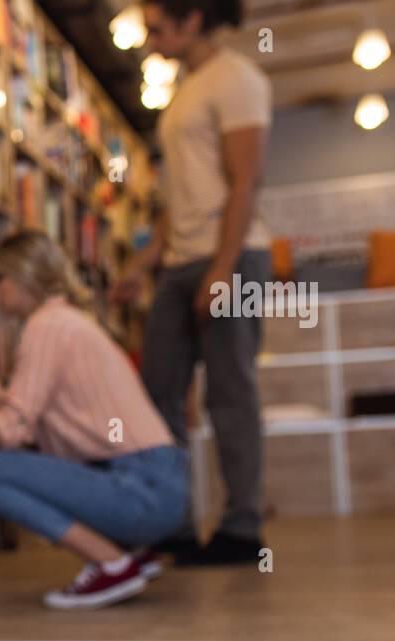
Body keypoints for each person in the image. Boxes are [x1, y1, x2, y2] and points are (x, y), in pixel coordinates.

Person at [0, 229, 190, 610]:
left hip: (138, 489)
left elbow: (6, 434)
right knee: (14, 465)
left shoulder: (45, 326)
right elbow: (34, 423)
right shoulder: (67, 322)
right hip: (159, 486)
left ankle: (112, 563)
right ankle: (129, 553)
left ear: (23, 275)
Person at [110, 0, 273, 565]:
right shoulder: (184, 90)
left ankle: (242, 529)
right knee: (157, 398)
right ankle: (171, 523)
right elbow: (181, 199)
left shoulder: (238, 79)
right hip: (179, 265)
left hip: (231, 257)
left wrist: (222, 267)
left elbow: (246, 181)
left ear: (192, 18)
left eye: (157, 28)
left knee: (231, 394)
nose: (150, 41)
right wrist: (142, 263)